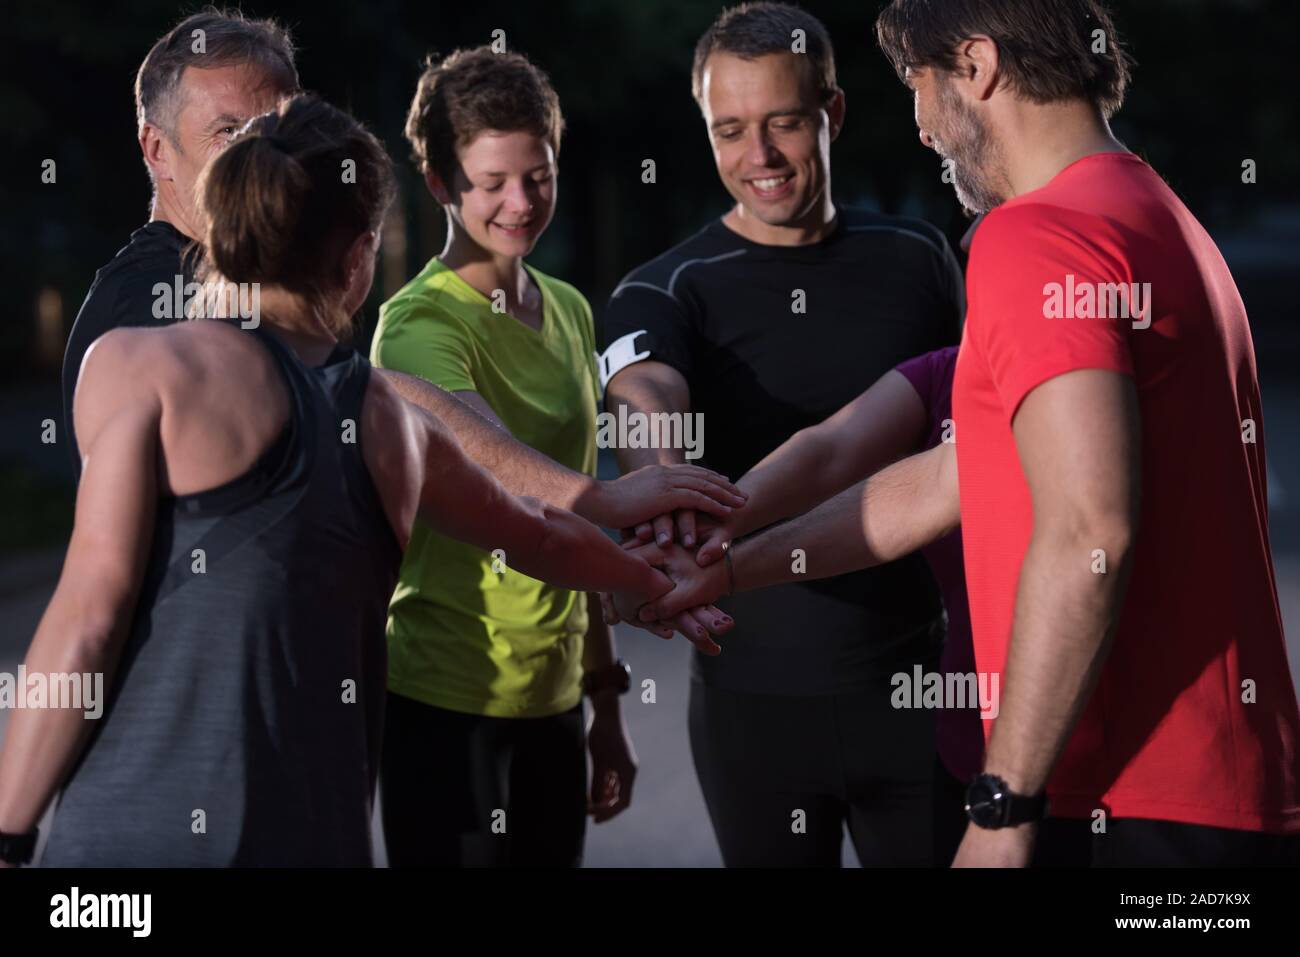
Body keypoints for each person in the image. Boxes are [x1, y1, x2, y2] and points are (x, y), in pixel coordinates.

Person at [639, 0, 1300, 867]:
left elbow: (1088, 526)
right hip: (1214, 799)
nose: (919, 128)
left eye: (918, 85)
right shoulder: (1154, 214)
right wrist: (722, 566)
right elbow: (952, 480)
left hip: (1128, 802)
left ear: (977, 67)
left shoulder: (1037, 235)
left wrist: (1003, 802)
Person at [0, 94, 683, 868]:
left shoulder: (140, 367)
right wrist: (659, 577)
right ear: (359, 259)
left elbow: (88, 616)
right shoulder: (398, 423)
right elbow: (542, 534)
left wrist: (9, 828)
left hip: (128, 852)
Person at [57, 8, 744, 559]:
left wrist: (617, 583)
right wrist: (603, 502)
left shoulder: (260, 292)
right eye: (229, 131)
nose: (261, 157)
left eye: (275, 128)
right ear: (156, 149)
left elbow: (392, 419)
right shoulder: (148, 302)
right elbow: (90, 617)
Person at [600, 2, 962, 866]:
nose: (756, 157)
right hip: (752, 707)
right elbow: (644, 392)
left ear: (831, 114)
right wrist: (663, 489)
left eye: (783, 124)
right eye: (729, 130)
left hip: (915, 684)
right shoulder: (668, 286)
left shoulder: (919, 258)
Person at [369, 48, 732, 867]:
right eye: (493, 182)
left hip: (557, 697)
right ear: (440, 185)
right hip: (446, 696)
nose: (521, 202)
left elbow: (569, 538)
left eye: (539, 175)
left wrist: (605, 703)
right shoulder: (418, 322)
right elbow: (492, 463)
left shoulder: (568, 308)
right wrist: (626, 504)